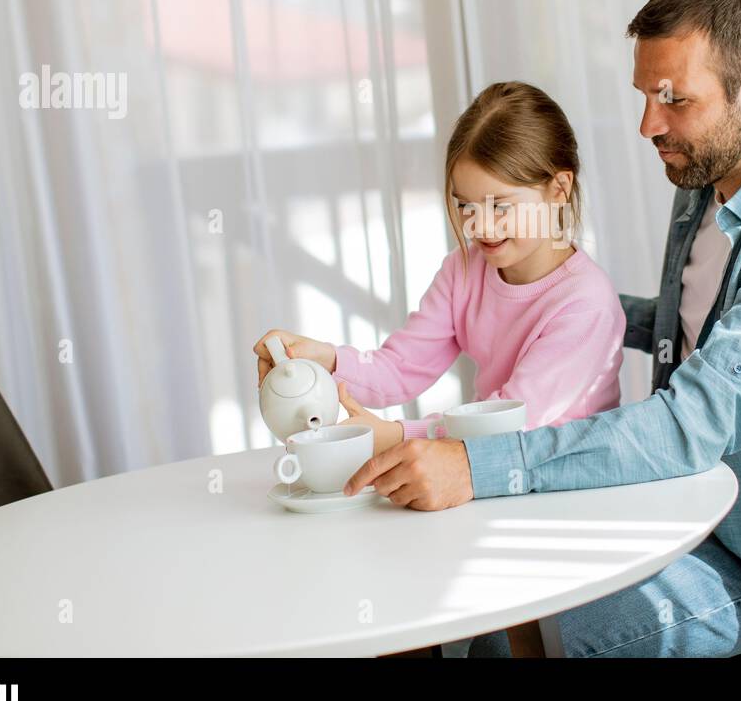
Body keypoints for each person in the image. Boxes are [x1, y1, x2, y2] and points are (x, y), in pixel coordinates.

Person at [343, 0, 741, 659]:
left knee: (535, 612)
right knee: (466, 578)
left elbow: (689, 424)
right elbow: (692, 330)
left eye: (673, 100)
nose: (647, 124)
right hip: (695, 508)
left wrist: (472, 466)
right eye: (644, 96)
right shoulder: (705, 182)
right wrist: (557, 299)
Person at [253, 80, 625, 456]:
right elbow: (399, 369)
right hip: (488, 470)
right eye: (466, 205)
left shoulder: (584, 304)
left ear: (559, 189)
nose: (480, 226)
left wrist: (399, 435)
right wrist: (327, 360)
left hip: (567, 481)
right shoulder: (464, 271)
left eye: (500, 206)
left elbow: (510, 422)